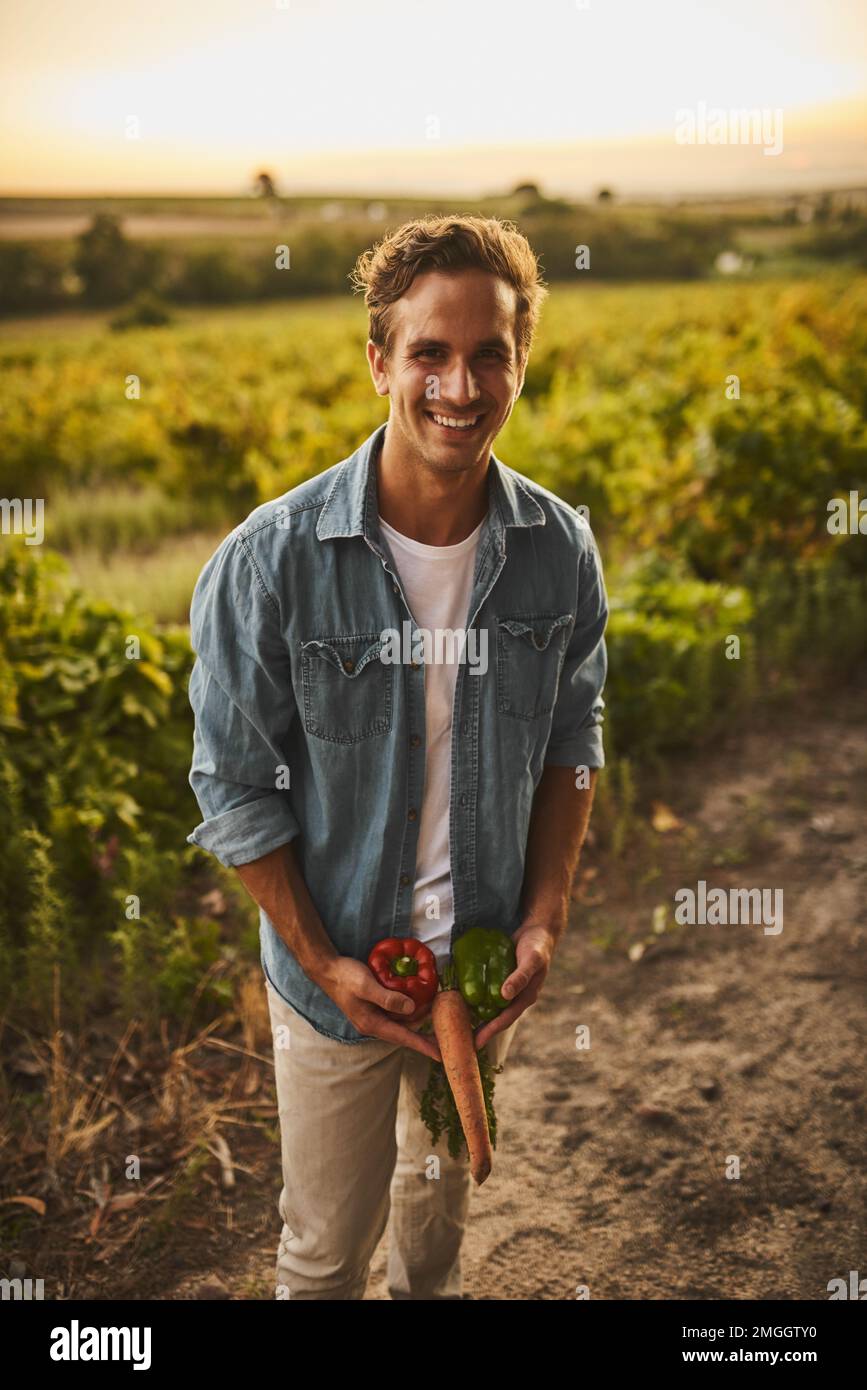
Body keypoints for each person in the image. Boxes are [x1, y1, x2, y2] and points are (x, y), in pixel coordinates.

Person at [185, 214, 609, 1300]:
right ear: (380, 360)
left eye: (488, 356)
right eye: (430, 352)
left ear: (522, 363)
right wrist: (323, 959)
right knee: (323, 1256)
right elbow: (234, 785)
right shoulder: (272, 561)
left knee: (431, 1249)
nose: (459, 387)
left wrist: (545, 919)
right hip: (334, 983)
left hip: (474, 973)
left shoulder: (558, 550)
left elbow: (572, 739)